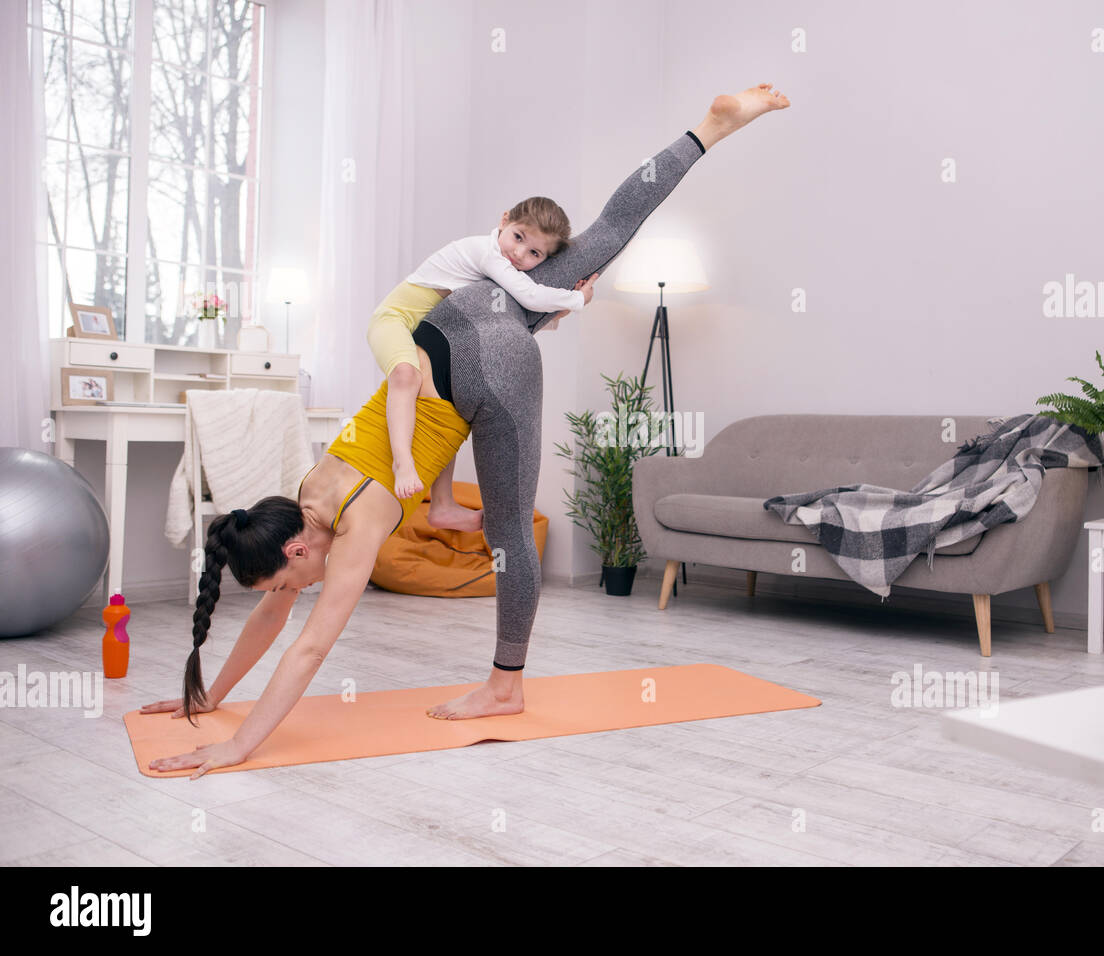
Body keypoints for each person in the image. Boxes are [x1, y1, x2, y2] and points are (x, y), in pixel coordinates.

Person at [140, 83, 790, 778]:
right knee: (602, 234)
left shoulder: (356, 531)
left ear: (297, 548)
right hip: (461, 316)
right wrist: (205, 698)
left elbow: (305, 647)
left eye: (282, 581)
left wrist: (237, 747)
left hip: (493, 373)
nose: (285, 595)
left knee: (510, 534)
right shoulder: (307, 487)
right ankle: (706, 130)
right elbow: (276, 613)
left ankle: (506, 687)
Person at [370, 200, 598, 533]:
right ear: (504, 221)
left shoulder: (500, 269)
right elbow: (530, 297)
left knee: (447, 409)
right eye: (518, 237)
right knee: (406, 376)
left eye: (535, 253)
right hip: (394, 320)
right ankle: (402, 463)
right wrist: (579, 300)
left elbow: (511, 313)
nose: (520, 254)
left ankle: (442, 505)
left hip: (424, 333)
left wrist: (558, 311)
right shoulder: (486, 252)